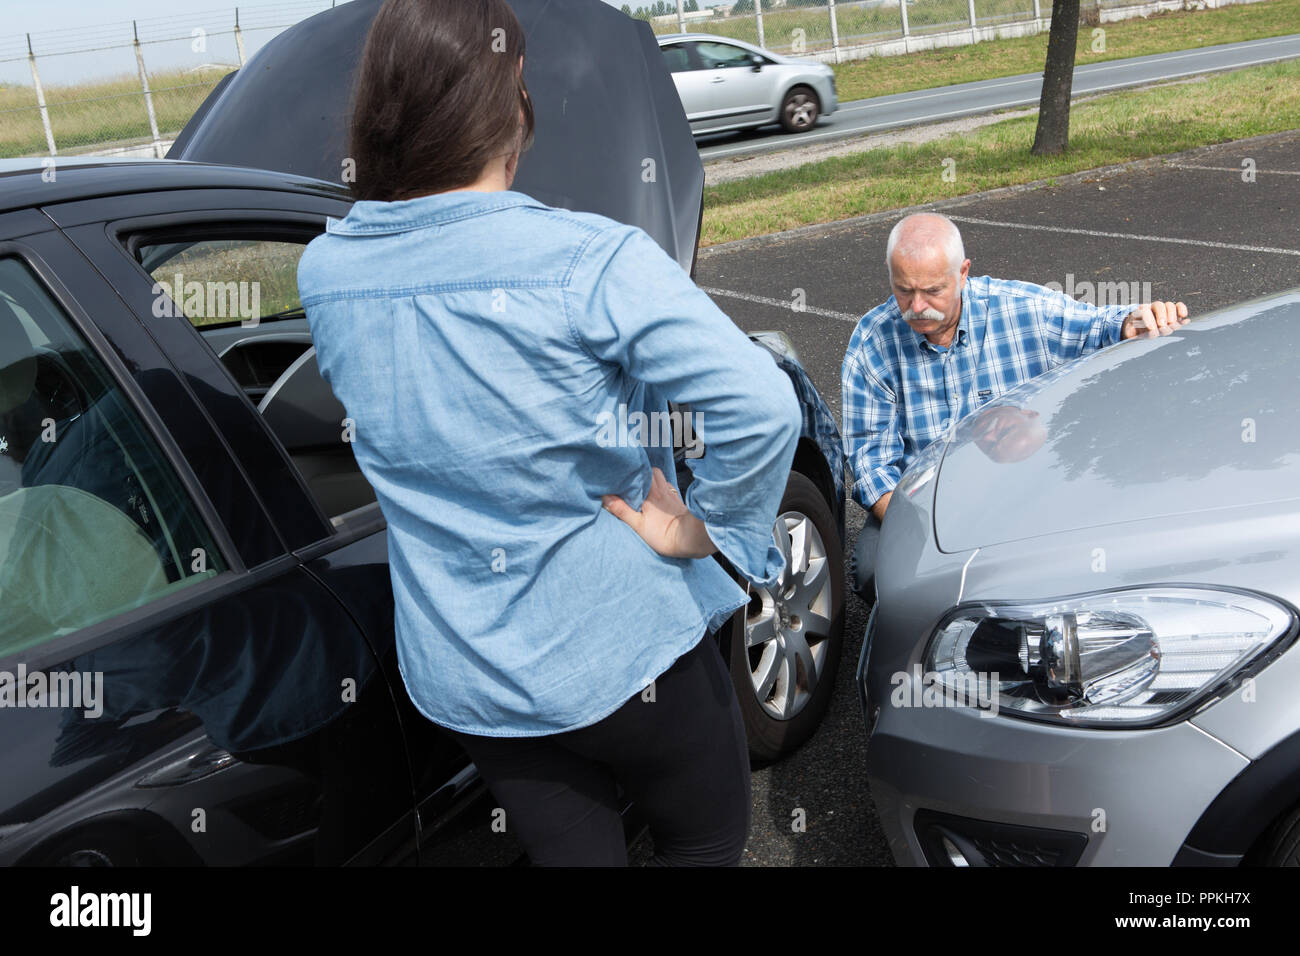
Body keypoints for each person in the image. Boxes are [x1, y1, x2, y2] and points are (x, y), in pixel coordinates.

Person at [296, 0, 801, 866]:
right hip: (624, 649)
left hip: (471, 675)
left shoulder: (325, 271)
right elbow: (762, 405)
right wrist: (704, 529)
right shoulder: (587, 260)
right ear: (511, 102)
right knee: (707, 840)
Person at [842, 212, 1189, 600]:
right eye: (903, 290)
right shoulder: (872, 343)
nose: (917, 306)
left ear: (963, 273)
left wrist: (1136, 320)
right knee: (874, 571)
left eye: (933, 290)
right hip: (923, 504)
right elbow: (872, 466)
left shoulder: (1018, 307)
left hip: (1018, 491)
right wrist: (927, 530)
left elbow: (1097, 326)